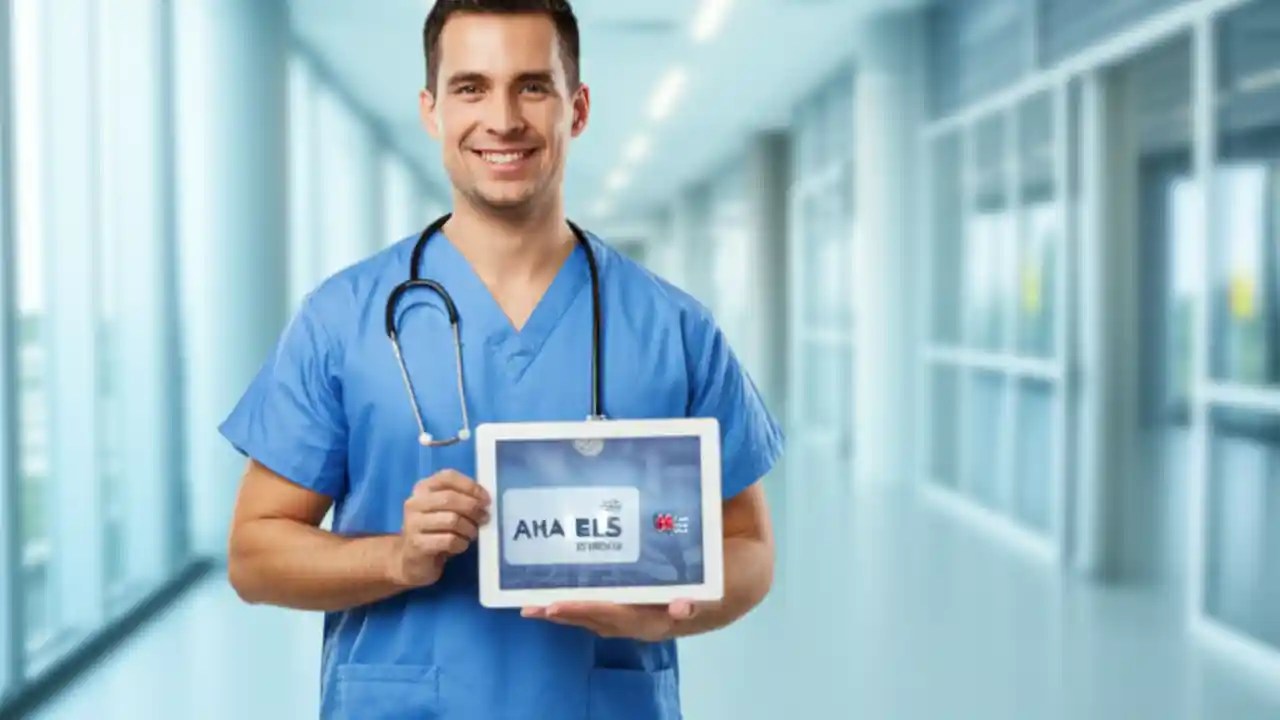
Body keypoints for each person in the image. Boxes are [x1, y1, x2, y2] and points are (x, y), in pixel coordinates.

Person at [220, 1, 784, 717]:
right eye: (470, 87)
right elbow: (255, 553)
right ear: (431, 111)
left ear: (576, 109)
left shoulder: (673, 327)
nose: (504, 118)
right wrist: (396, 557)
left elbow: (749, 550)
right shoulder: (343, 319)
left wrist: (662, 613)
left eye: (533, 86)